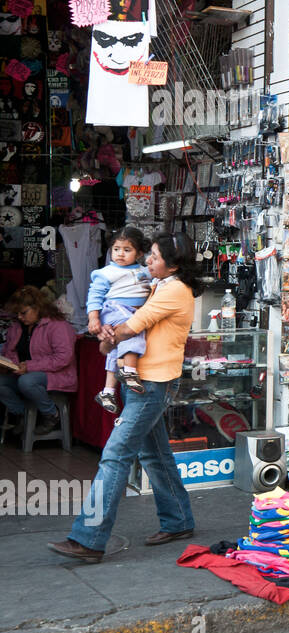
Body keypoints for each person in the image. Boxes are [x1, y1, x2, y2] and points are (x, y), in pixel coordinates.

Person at [49, 233, 203, 563]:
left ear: (173, 264)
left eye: (155, 257)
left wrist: (105, 337)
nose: (147, 260)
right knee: (155, 456)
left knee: (115, 455)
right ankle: (179, 520)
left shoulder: (174, 288)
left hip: (152, 385)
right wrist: (106, 331)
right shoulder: (161, 283)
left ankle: (88, 539)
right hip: (146, 382)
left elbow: (133, 325)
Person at [86, 226, 152, 413]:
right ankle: (129, 371)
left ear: (139, 253)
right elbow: (95, 295)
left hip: (128, 310)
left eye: (127, 250)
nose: (120, 254)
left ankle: (107, 391)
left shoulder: (144, 271)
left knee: (115, 346)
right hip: (116, 309)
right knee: (133, 330)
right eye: (116, 249)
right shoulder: (106, 272)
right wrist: (93, 318)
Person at [0, 286, 78, 435]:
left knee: (27, 381)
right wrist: (9, 365)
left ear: (37, 307)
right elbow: (10, 351)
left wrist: (29, 366)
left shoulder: (58, 326)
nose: (20, 317)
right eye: (17, 314)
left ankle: (51, 415)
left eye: (23, 313)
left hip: (56, 375)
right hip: (24, 373)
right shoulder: (17, 327)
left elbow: (63, 357)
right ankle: (23, 414)